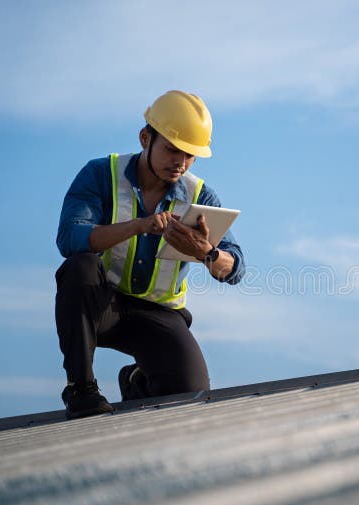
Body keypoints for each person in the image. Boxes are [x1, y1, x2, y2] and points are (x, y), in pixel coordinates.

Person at [55, 90, 244, 419]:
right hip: (101, 307)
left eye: (189, 155)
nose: (180, 163)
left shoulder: (201, 196)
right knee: (79, 267)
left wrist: (207, 254)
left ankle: (137, 381)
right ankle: (81, 388)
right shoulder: (100, 175)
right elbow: (70, 238)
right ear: (145, 138)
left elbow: (236, 268)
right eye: (172, 149)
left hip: (158, 317)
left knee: (191, 394)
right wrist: (138, 226)